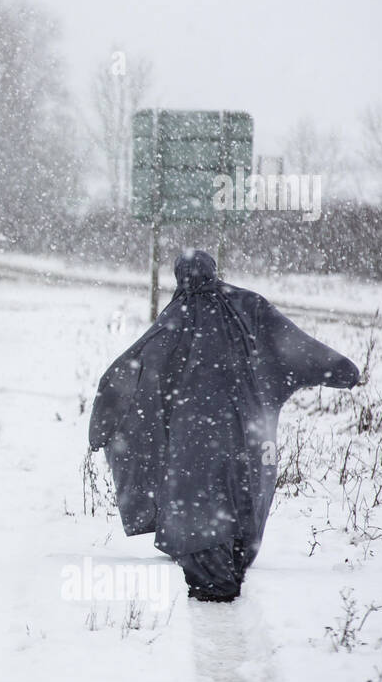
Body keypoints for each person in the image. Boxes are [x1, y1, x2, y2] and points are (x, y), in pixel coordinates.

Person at [88, 249, 360, 601]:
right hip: (246, 425)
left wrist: (103, 421)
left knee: (197, 495)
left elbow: (128, 369)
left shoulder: (174, 317)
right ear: (214, 271)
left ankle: (208, 560)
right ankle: (237, 551)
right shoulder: (249, 306)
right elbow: (295, 346)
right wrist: (340, 369)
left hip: (193, 433)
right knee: (244, 488)